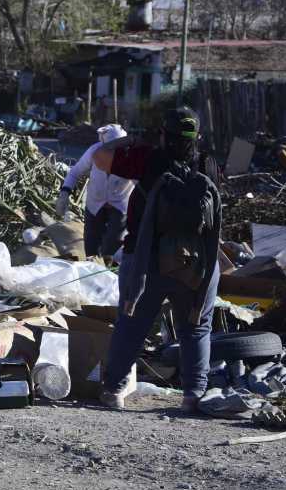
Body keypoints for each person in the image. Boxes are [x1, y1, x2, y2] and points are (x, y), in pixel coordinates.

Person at [92, 107, 222, 412]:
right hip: (196, 263)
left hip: (146, 261)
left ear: (163, 134)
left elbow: (99, 157)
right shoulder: (208, 164)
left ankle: (113, 392)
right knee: (196, 328)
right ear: (196, 137)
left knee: (131, 325)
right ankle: (192, 396)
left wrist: (128, 141)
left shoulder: (147, 158)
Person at [55, 124, 133, 259]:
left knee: (112, 246)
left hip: (120, 205)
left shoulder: (131, 157)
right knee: (91, 246)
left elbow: (142, 183)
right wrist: (65, 193)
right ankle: (92, 267)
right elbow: (75, 172)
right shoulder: (94, 152)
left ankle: (109, 267)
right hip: (95, 204)